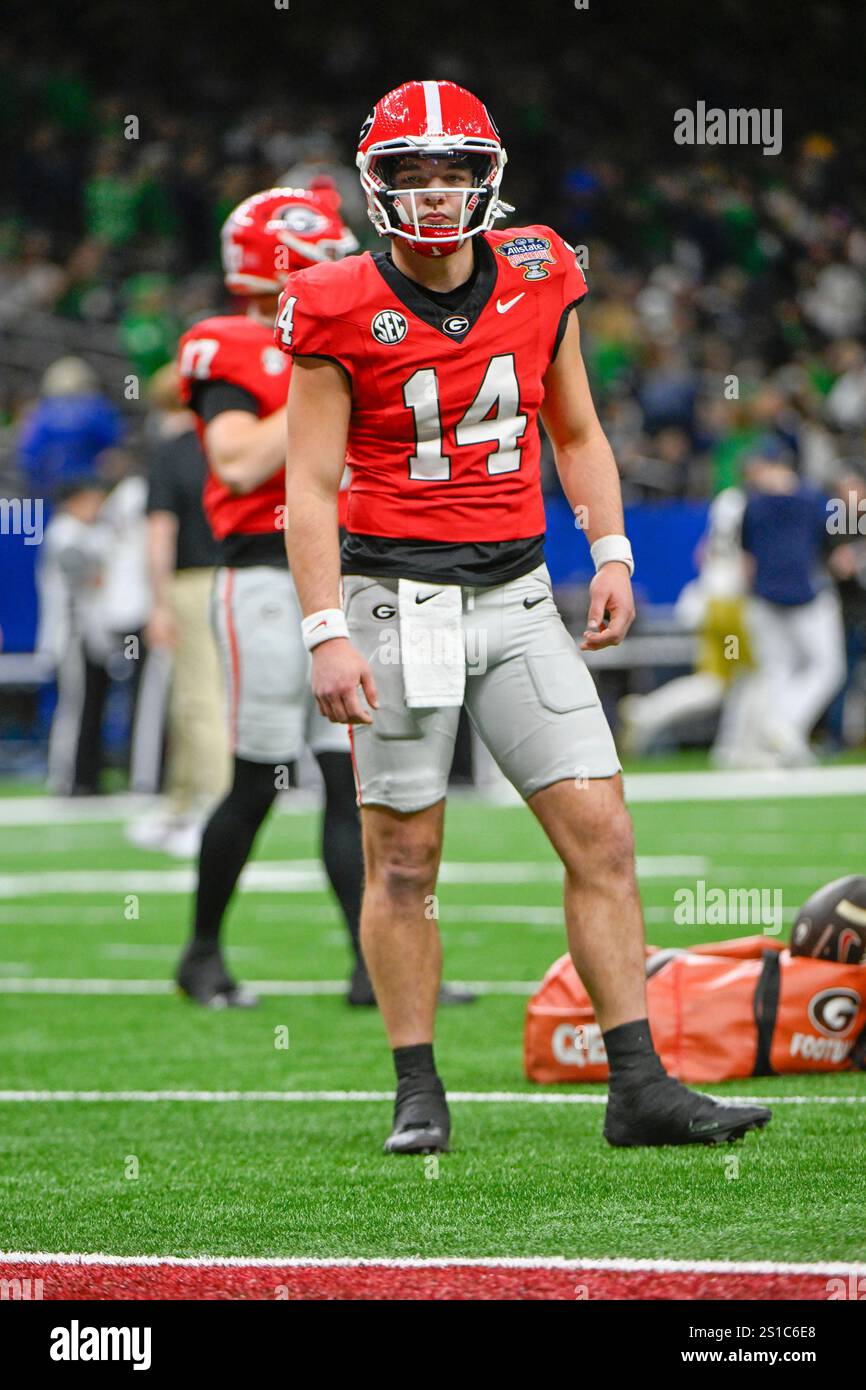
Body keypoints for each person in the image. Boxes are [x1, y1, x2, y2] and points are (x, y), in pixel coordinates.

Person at [279, 80, 772, 1151]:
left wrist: (609, 551)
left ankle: (636, 1084)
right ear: (377, 186)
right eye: (410, 173)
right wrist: (323, 627)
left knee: (601, 834)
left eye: (452, 169)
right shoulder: (329, 302)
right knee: (404, 859)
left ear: (486, 178)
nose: (434, 191)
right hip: (394, 598)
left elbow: (578, 430)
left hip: (511, 591)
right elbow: (308, 486)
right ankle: (416, 1086)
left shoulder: (542, 269)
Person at [174, 185, 474, 1010]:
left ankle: (369, 966)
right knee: (257, 776)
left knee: (354, 783)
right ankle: (201, 952)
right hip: (267, 578)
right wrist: (323, 388)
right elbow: (235, 461)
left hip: (345, 576)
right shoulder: (234, 342)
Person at [127, 363, 230, 856]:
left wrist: (158, 601)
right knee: (191, 700)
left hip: (193, 581)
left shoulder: (171, 451)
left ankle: (215, 811)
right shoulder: (228, 441)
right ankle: (179, 803)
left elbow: (159, 532)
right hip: (240, 577)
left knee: (200, 699)